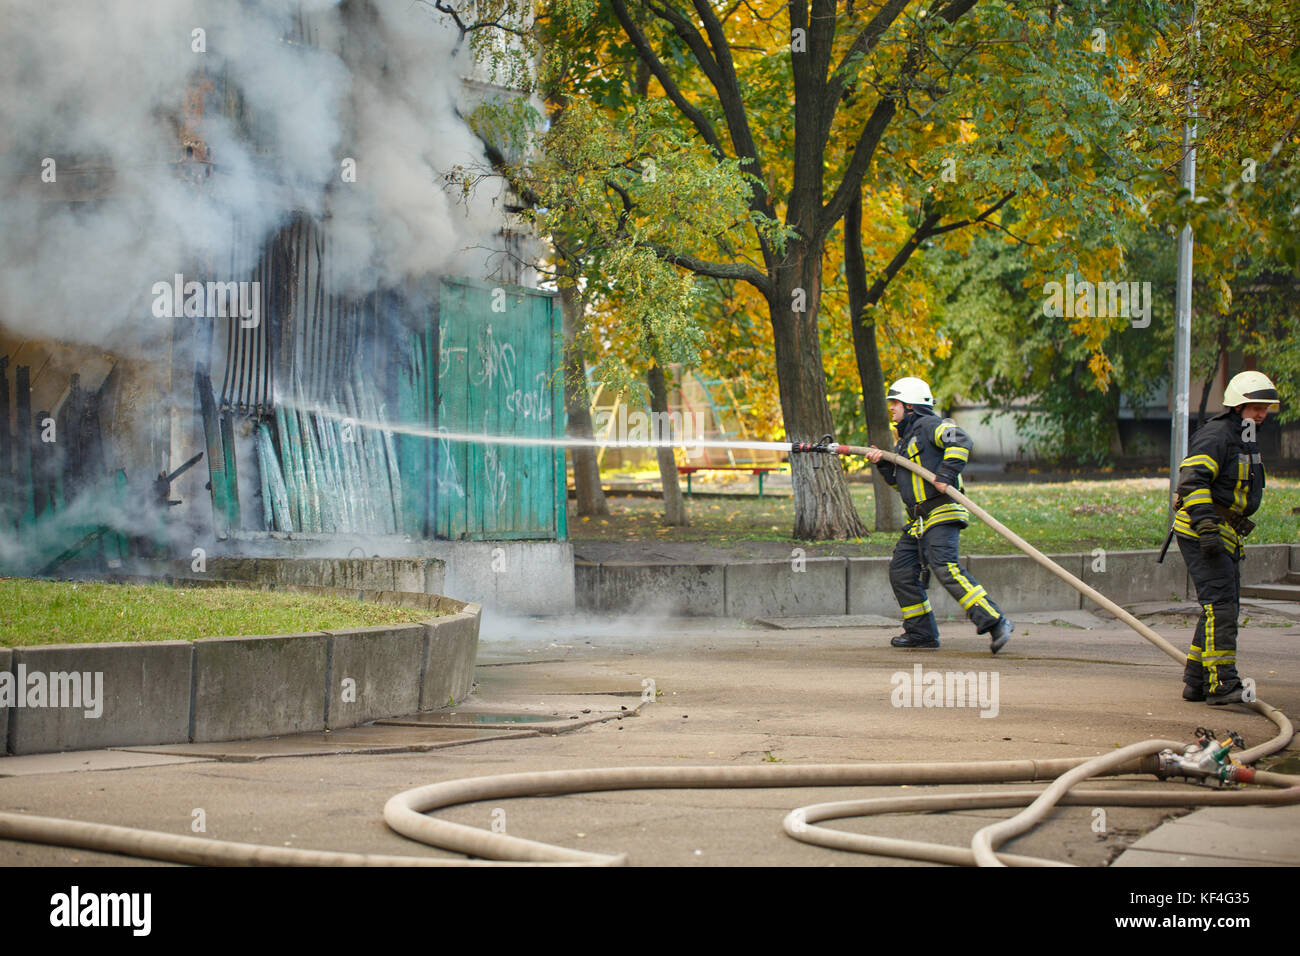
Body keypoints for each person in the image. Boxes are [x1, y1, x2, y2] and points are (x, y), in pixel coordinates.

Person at [864, 377, 1014, 653]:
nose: (892, 409)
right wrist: (884, 465)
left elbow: (961, 441)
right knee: (901, 571)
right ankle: (921, 633)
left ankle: (995, 621)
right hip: (918, 521)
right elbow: (902, 485)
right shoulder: (905, 441)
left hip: (941, 511)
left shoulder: (930, 426)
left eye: (895, 403)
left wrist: (946, 474)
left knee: (945, 566)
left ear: (910, 406)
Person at [1172, 370, 1279, 705]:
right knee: (1221, 607)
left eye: (1265, 406)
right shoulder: (1217, 435)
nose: (1262, 413)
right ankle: (1222, 684)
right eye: (1255, 406)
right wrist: (1206, 528)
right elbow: (1192, 481)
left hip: (1223, 532)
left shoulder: (1244, 435)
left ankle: (1197, 680)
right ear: (1237, 405)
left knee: (1217, 607)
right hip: (1203, 531)